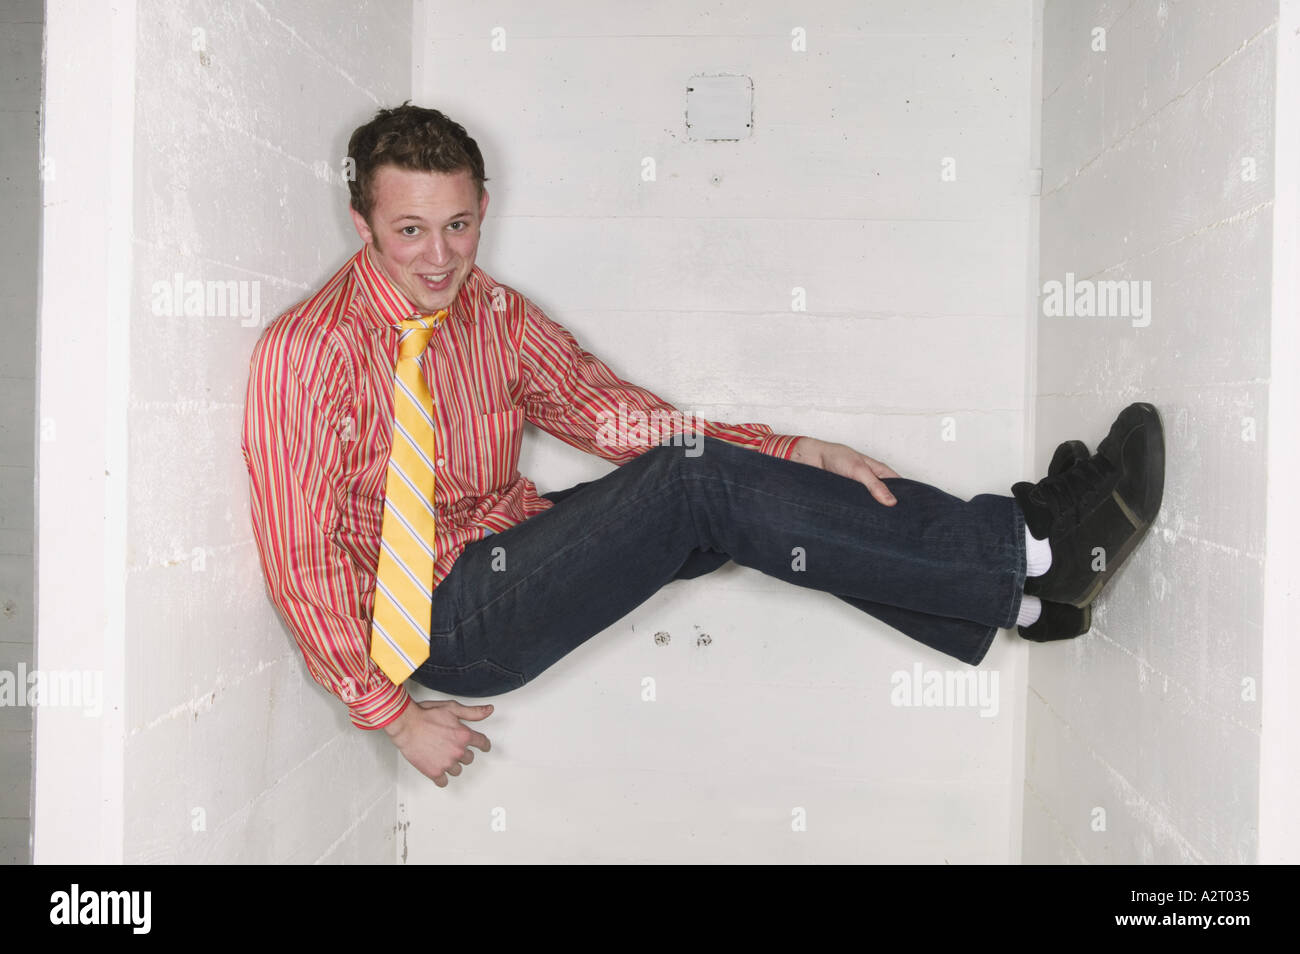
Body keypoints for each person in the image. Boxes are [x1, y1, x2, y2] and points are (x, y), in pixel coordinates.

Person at [241, 104, 1165, 787]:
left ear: (482, 206)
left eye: (458, 225)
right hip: (432, 626)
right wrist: (394, 718)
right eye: (409, 231)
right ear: (363, 225)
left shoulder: (492, 313)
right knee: (694, 487)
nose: (439, 257)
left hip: (498, 549)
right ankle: (1031, 546)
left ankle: (1030, 606)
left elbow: (615, 416)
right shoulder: (305, 355)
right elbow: (298, 561)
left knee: (728, 506)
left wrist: (792, 452)